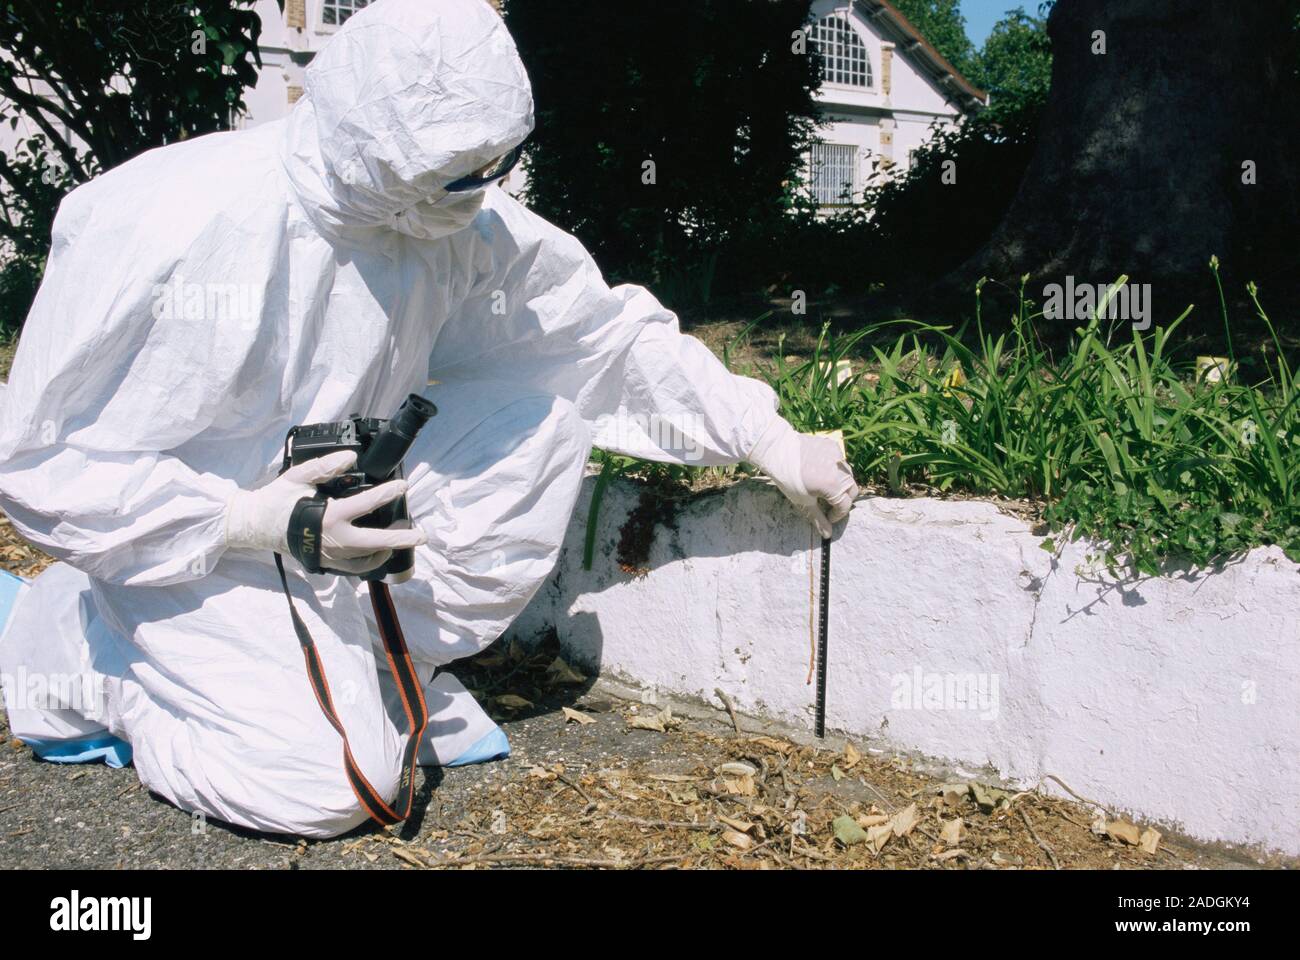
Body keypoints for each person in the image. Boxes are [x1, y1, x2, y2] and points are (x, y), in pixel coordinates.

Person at [0, 0, 857, 837]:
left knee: (544, 415)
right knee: (335, 785)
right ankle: (92, 656)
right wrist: (251, 520)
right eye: (461, 171)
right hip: (186, 549)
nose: (487, 189)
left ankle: (354, 662)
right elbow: (37, 462)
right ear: (372, 143)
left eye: (498, 163)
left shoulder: (446, 223)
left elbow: (602, 332)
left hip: (336, 525)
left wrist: (767, 437)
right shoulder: (165, 221)